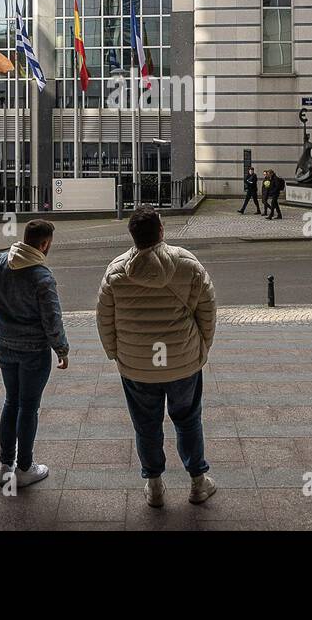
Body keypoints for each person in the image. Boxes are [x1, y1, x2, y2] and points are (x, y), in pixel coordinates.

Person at [97, 206, 217, 508]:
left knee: (146, 425)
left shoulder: (116, 272)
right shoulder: (187, 264)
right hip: (183, 361)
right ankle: (197, 483)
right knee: (188, 420)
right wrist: (201, 348)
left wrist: (116, 354)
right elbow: (207, 311)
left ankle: (154, 486)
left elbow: (104, 319)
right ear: (161, 231)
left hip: (137, 367)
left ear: (132, 235)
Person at [0, 218, 69, 489]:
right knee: (29, 407)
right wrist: (61, 349)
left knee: (12, 402)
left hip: (5, 345)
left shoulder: (0, 262)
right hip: (34, 351)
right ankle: (25, 468)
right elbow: (52, 319)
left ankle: (5, 465)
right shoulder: (42, 277)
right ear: (45, 244)